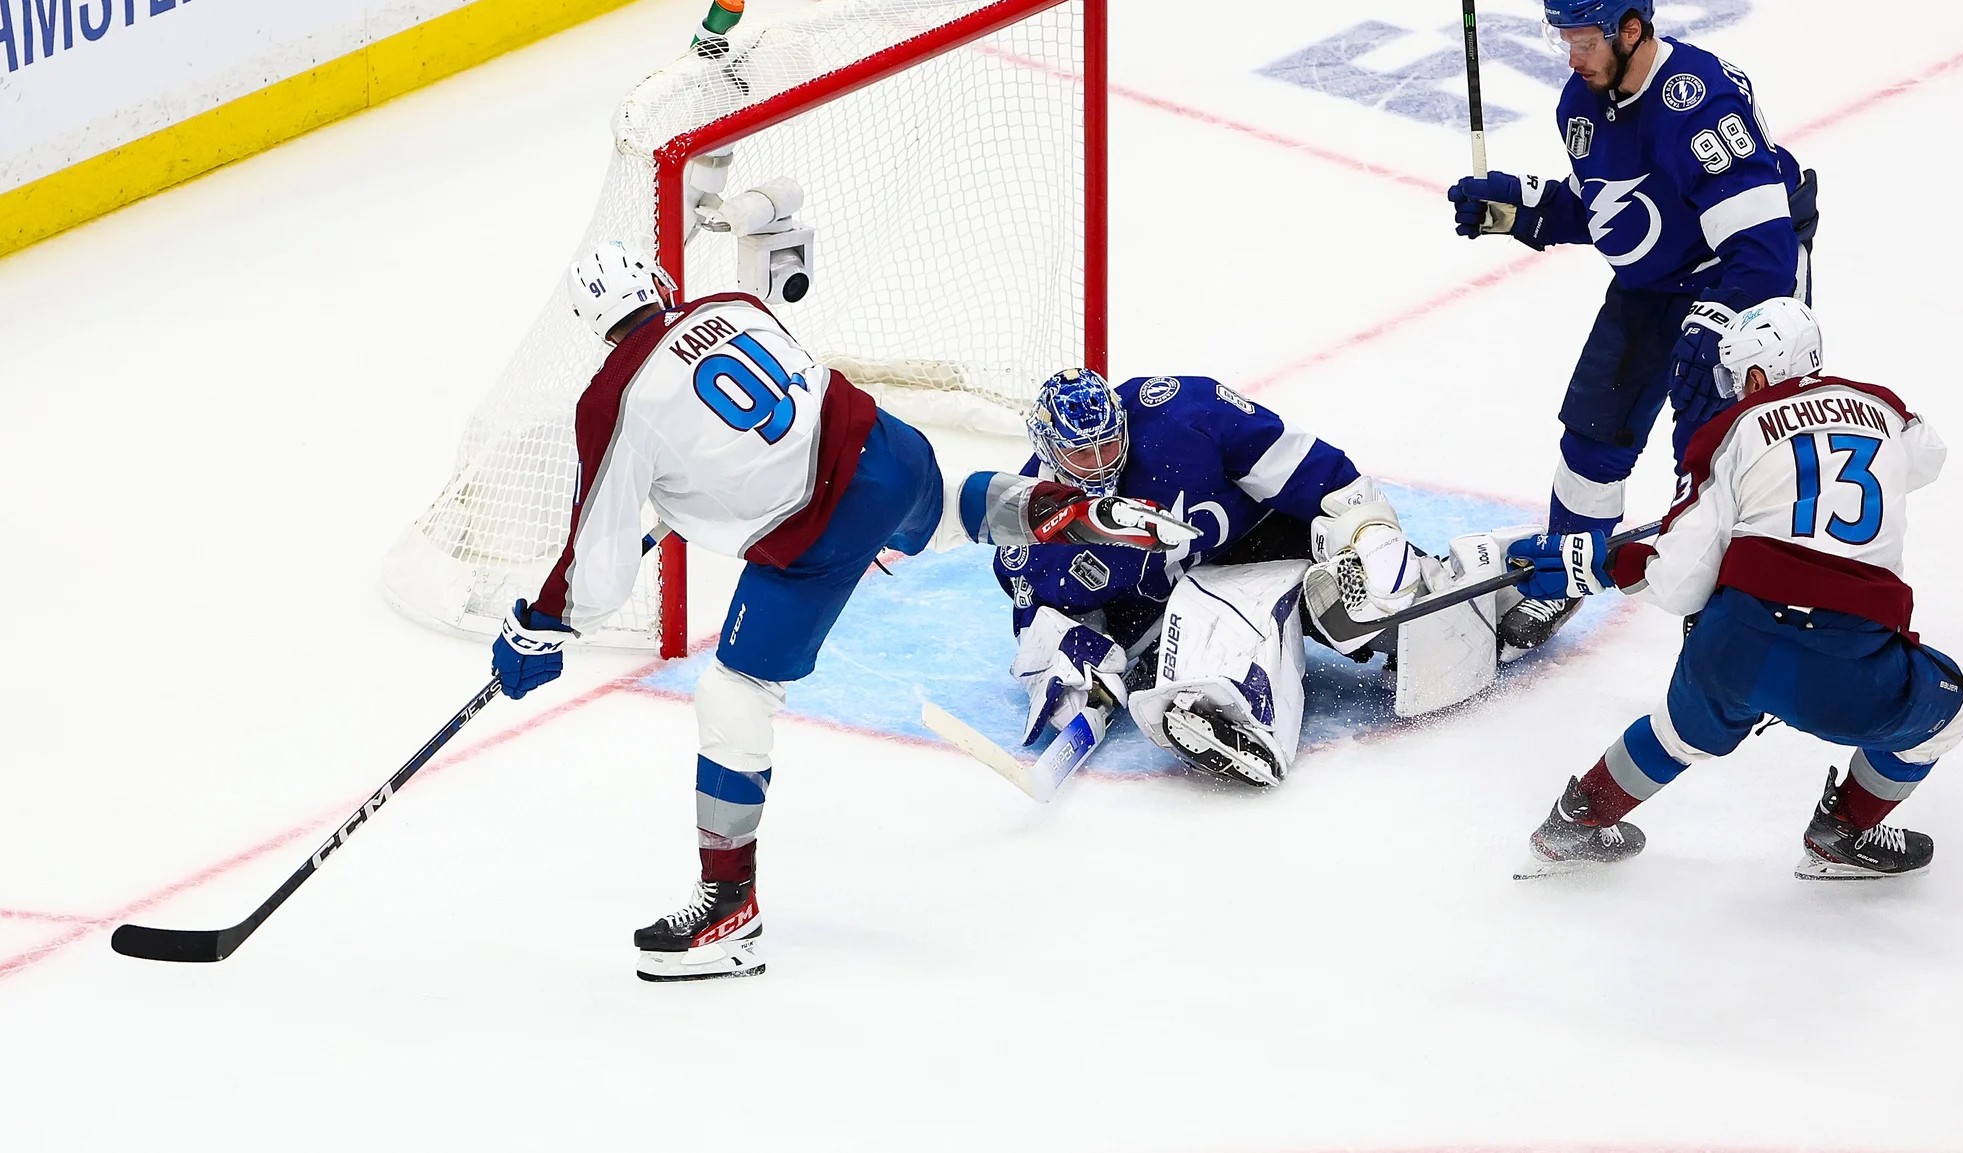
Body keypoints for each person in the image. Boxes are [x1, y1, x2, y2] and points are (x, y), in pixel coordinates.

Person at [490, 242, 1195, 982]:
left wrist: (539, 626)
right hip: (888, 448)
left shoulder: (613, 399)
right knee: (947, 503)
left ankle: (729, 909)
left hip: (817, 526)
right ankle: (1068, 508)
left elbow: (594, 568)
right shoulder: (732, 307)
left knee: (733, 692)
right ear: (660, 285)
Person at [1505, 298, 1963, 880]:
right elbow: (1928, 457)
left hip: (1739, 643)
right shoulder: (1882, 405)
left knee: (1676, 732)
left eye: (1735, 376)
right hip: (1848, 656)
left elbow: (1680, 579)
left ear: (1757, 374)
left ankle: (1574, 825)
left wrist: (1599, 564)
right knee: (1947, 715)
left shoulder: (1727, 432)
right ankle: (1845, 832)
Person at [1446, 0, 1819, 656]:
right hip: (1662, 276)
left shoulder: (1699, 102)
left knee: (1717, 450)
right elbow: (1624, 218)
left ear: (1631, 30)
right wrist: (1520, 209)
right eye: (1565, 41)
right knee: (1594, 429)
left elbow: (1763, 250)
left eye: (1584, 41)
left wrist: (1716, 323)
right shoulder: (1581, 104)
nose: (1572, 58)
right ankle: (1567, 572)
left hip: (1744, 275)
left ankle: (1743, 607)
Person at [992, 368, 1513, 788]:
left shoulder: (1183, 412)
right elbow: (1049, 624)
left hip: (1271, 529)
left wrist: (1363, 519)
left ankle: (1495, 589)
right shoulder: (1032, 532)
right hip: (1193, 598)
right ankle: (1236, 720)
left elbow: (1294, 461)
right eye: (1083, 452)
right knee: (1232, 629)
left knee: (1364, 590)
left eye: (1110, 442)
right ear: (1048, 451)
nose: (1103, 461)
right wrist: (1075, 669)